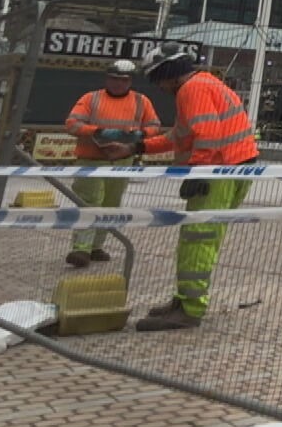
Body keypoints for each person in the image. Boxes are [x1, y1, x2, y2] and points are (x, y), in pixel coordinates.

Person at [105, 47, 258, 332]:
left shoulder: (192, 90)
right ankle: (184, 299)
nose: (160, 88)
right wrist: (136, 147)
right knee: (200, 238)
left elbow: (208, 134)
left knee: (197, 239)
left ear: (168, 73)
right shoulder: (205, 83)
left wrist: (198, 171)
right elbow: (179, 136)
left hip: (218, 172)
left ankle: (190, 309)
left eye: (158, 80)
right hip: (230, 168)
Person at [59, 60, 163, 268]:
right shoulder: (91, 99)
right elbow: (72, 124)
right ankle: (81, 248)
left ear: (130, 81)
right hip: (91, 160)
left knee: (111, 204)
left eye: (123, 80)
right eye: (114, 79)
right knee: (89, 202)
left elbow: (154, 125)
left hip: (121, 161)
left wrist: (140, 135)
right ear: (107, 79)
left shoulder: (141, 101)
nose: (118, 84)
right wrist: (98, 132)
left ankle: (96, 246)